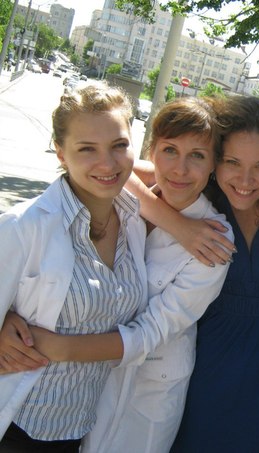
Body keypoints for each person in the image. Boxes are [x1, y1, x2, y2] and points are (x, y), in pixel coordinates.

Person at [0, 97, 234, 453]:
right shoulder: (28, 225)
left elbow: (152, 329)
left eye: (198, 156)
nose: (181, 169)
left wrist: (56, 346)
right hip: (23, 419)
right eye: (170, 151)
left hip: (124, 398)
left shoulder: (130, 216)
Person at [129, 95, 259, 452]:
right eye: (232, 162)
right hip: (208, 372)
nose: (245, 179)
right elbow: (116, 170)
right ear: (215, 159)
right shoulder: (200, 191)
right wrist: (178, 225)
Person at [0, 81, 147, 451]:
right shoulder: (24, 227)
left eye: (119, 145)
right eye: (87, 149)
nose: (107, 163)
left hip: (80, 430)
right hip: (18, 427)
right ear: (60, 152)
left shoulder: (135, 224)